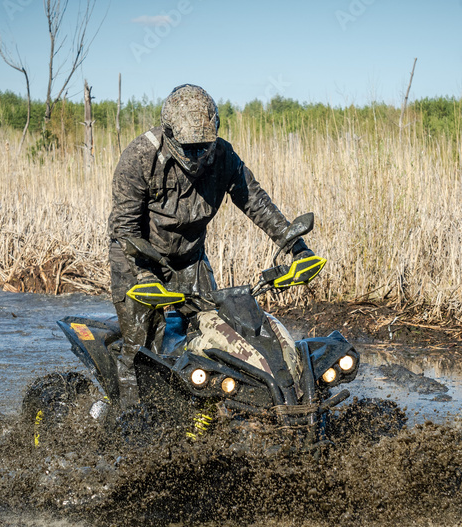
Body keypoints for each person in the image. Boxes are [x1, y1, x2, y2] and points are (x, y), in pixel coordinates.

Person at [107, 83, 313, 396]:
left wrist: (298, 248)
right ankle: (132, 418)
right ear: (170, 134)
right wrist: (146, 274)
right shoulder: (139, 159)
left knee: (217, 332)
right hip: (137, 258)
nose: (197, 155)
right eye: (189, 148)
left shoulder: (223, 157)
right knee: (142, 344)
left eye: (204, 146)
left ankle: (217, 406)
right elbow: (124, 228)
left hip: (190, 258)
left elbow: (255, 201)